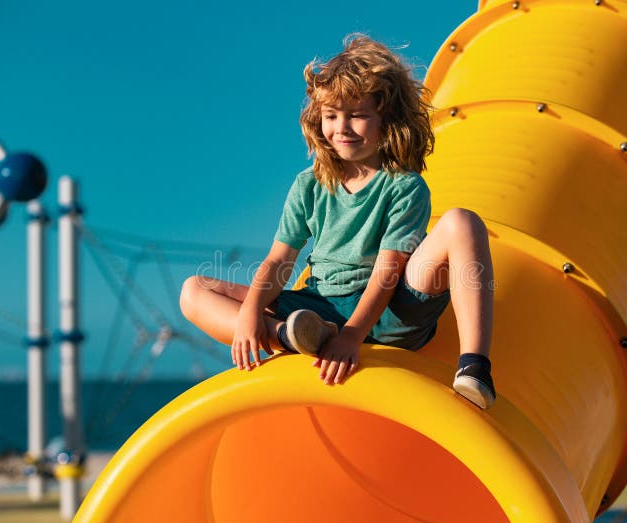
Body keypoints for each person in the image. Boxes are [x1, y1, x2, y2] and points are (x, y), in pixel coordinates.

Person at [180, 35, 496, 409]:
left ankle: (474, 365)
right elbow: (280, 261)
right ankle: (289, 336)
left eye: (357, 115)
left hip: (392, 309)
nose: (341, 127)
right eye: (331, 116)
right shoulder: (309, 184)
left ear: (387, 120)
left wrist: (351, 336)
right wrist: (251, 313)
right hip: (322, 305)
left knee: (462, 222)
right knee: (194, 290)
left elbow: (389, 270)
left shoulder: (404, 187)